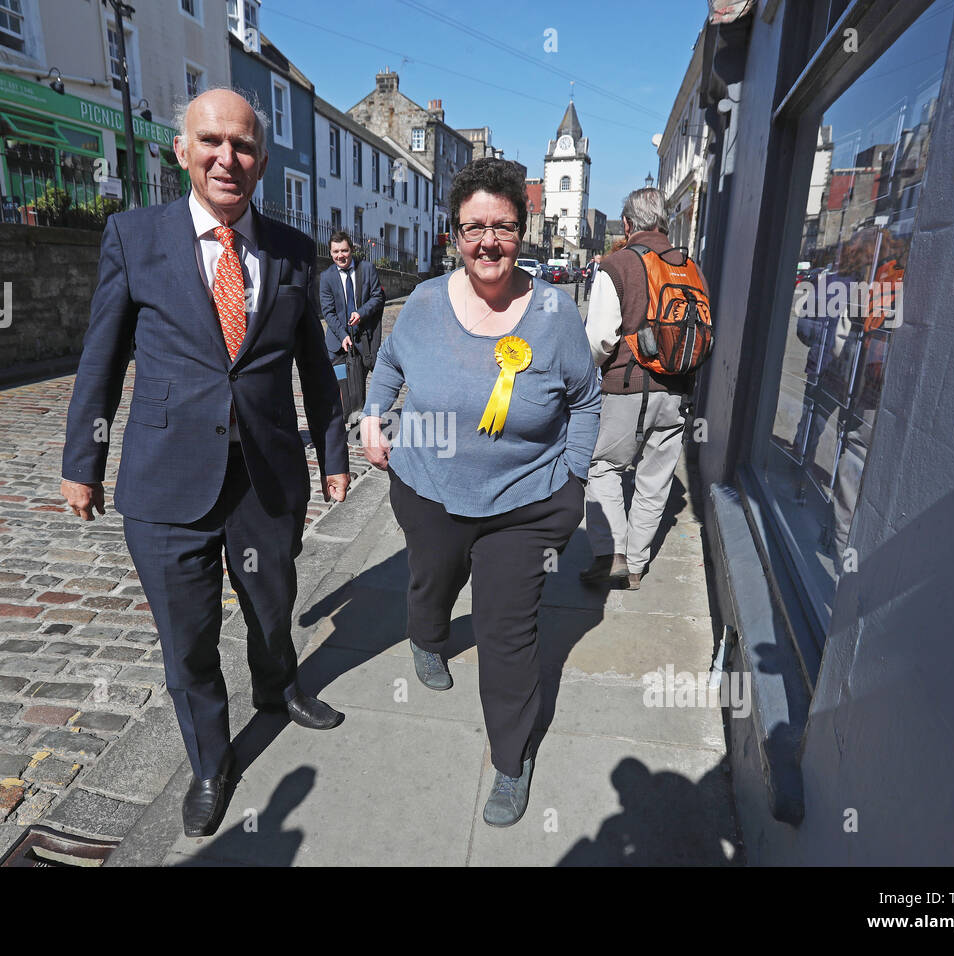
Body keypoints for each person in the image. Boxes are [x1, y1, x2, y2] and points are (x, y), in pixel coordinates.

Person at [59, 89, 351, 839]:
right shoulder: (134, 236)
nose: (229, 157)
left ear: (261, 158)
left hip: (266, 475)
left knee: (271, 605)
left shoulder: (290, 250)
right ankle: (211, 761)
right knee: (186, 639)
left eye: (244, 145)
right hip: (164, 480)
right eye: (212, 141)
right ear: (181, 149)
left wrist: (333, 452)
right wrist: (82, 459)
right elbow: (102, 358)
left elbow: (313, 362)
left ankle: (276, 685)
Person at [360, 157, 601, 828]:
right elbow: (388, 365)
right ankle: (425, 635)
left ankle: (511, 758)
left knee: (507, 632)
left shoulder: (554, 314)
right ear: (455, 234)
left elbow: (584, 401)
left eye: (502, 227)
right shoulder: (430, 301)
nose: (488, 242)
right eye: (474, 228)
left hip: (524, 505)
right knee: (430, 583)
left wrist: (575, 477)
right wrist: (374, 417)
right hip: (429, 488)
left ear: (522, 231)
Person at [580, 187, 697, 590]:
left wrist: (592, 374)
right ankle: (635, 566)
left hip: (627, 388)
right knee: (655, 479)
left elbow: (599, 340)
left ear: (627, 224)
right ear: (664, 221)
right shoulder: (688, 267)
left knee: (603, 466)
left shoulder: (618, 265)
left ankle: (612, 553)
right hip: (677, 391)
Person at [321, 231, 385, 426]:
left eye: (344, 250)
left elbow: (378, 297)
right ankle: (341, 421)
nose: (340, 255)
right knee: (341, 383)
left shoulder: (367, 269)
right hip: (338, 345)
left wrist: (361, 313)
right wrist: (342, 335)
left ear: (351, 250)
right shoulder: (326, 277)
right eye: (335, 251)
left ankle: (359, 425)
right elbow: (328, 311)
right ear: (330, 253)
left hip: (363, 340)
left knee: (358, 385)